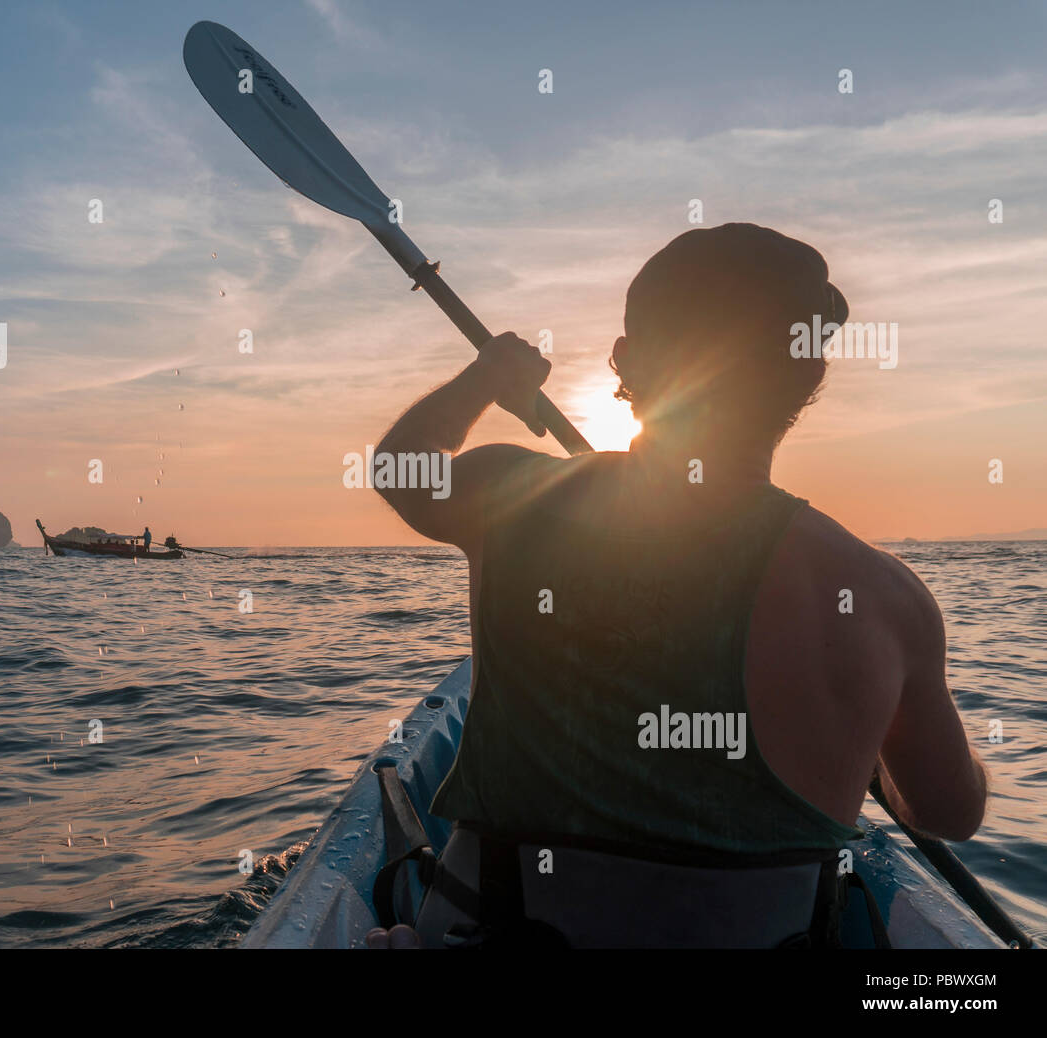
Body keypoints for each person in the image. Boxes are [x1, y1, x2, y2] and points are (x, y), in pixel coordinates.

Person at [373, 223, 987, 948]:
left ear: (630, 361)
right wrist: (877, 746)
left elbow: (400, 469)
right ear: (808, 375)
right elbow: (949, 811)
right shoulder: (887, 600)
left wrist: (486, 378)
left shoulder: (515, 497)